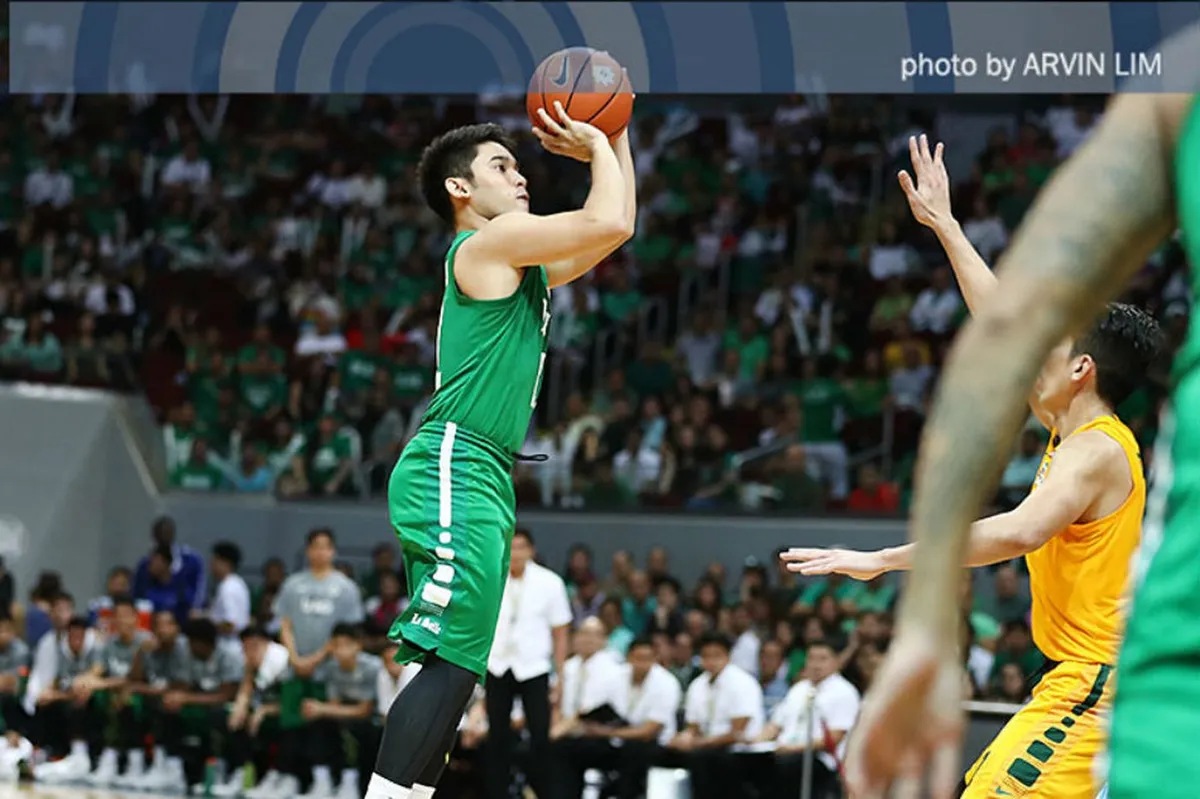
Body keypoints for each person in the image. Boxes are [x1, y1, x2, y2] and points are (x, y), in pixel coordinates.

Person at [781, 133, 1162, 798]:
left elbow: (1019, 531)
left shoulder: (1096, 450)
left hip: (1097, 683)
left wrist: (884, 560)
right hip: (1079, 680)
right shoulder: (1070, 429)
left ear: (1081, 368)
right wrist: (946, 225)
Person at [367, 94, 637, 799]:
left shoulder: (522, 263)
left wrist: (616, 135)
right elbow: (606, 217)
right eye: (501, 166)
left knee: (462, 664)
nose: (520, 177)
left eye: (519, 167)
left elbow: (618, 228)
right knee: (454, 658)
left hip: (483, 469)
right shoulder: (486, 244)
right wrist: (598, 145)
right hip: (454, 460)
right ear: (460, 188)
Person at [485, 529, 573, 799]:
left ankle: (541, 792)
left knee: (540, 735)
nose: (516, 553)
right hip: (497, 664)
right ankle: (497, 794)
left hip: (534, 666)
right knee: (496, 737)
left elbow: (561, 632)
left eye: (521, 547)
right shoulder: (491, 577)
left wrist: (560, 675)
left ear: (531, 550)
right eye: (511, 547)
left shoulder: (550, 582)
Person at [750, 640, 860, 799]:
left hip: (818, 758)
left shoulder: (844, 692)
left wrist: (793, 748)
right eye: (812, 658)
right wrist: (755, 743)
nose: (816, 665)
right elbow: (775, 725)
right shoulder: (799, 688)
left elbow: (834, 738)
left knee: (787, 764)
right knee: (748, 761)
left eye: (822, 659)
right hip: (784, 750)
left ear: (836, 661)